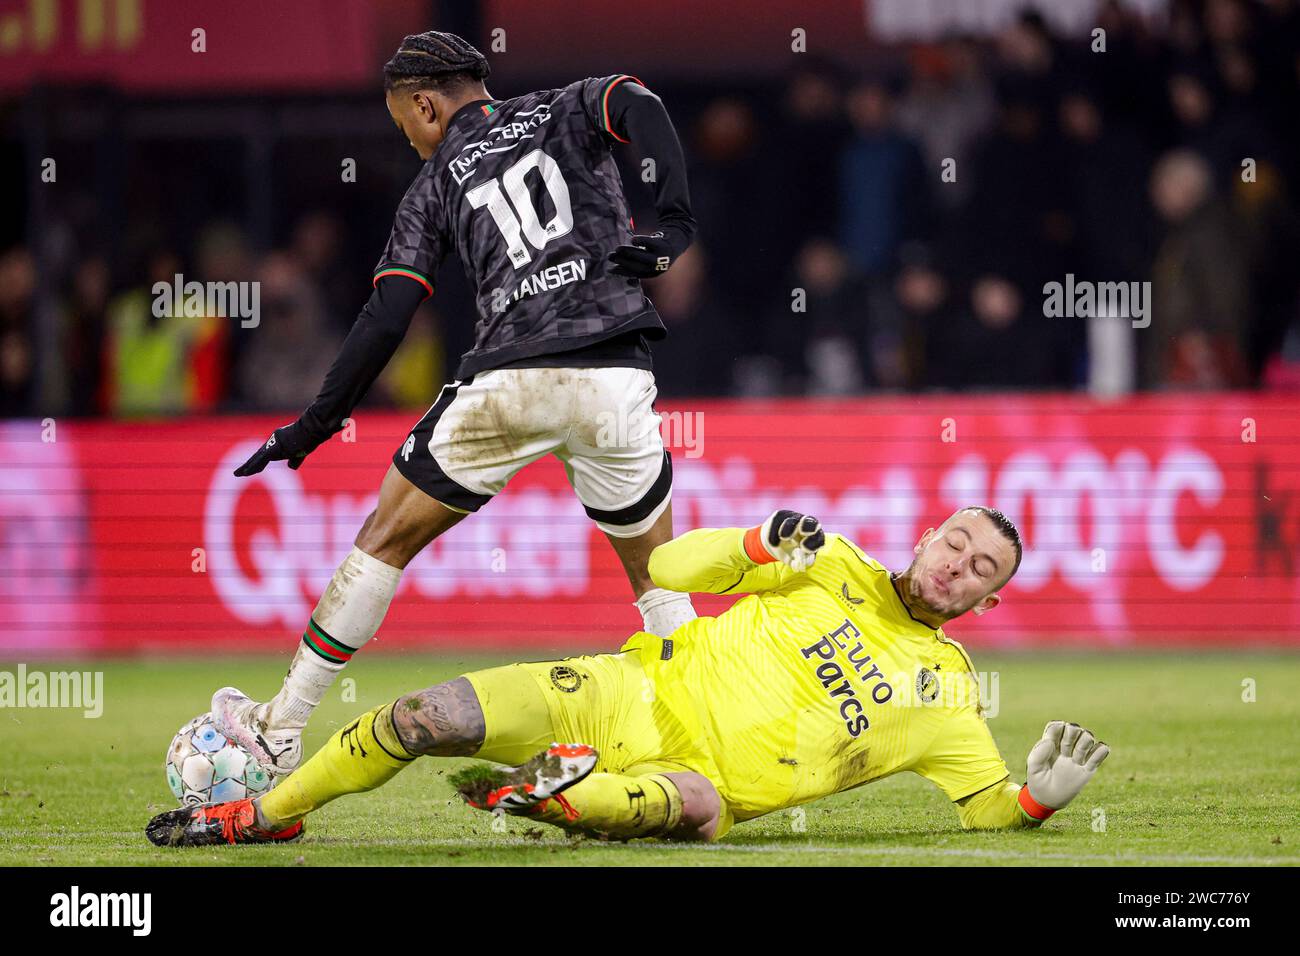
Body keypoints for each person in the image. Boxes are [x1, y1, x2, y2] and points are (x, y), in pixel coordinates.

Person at [213, 31, 700, 776]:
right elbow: (639, 101)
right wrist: (674, 226)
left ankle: (280, 729)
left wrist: (315, 423)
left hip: (511, 380)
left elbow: (389, 314)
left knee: (383, 540)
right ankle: (704, 738)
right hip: (614, 374)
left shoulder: (436, 181)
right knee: (658, 579)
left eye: (400, 121)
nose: (404, 136)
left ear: (425, 103)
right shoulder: (561, 108)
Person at [147, 507, 1111, 846]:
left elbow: (983, 806)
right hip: (623, 692)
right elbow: (669, 573)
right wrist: (752, 545)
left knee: (690, 805)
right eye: (957, 544)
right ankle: (262, 815)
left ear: (987, 606)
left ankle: (562, 798)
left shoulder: (948, 693)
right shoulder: (827, 559)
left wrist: (1036, 800)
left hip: (710, 787)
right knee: (416, 715)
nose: (958, 567)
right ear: (929, 532)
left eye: (982, 571)